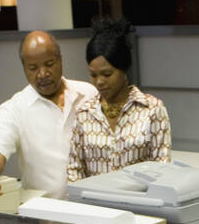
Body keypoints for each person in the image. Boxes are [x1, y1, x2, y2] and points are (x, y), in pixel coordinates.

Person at [0, 31, 96, 208]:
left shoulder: (88, 94)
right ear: (24, 68)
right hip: (46, 214)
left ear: (60, 59)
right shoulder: (15, 108)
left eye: (49, 64)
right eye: (33, 68)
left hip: (95, 206)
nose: (42, 74)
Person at [67, 16, 171, 180]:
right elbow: (74, 170)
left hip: (139, 202)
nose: (99, 82)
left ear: (124, 69)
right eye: (93, 75)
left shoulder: (152, 109)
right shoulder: (84, 113)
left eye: (107, 74)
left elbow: (162, 168)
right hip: (94, 202)